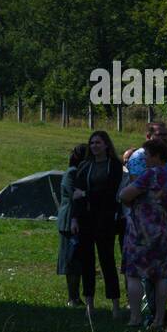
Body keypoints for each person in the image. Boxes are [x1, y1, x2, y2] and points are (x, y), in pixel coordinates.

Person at [120, 137, 167, 328]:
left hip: (141, 232)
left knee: (134, 274)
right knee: (161, 276)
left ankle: (135, 317)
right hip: (165, 230)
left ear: (156, 156)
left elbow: (124, 195)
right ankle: (159, 319)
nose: (144, 159)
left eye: (147, 155)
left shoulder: (149, 174)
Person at [71, 130, 125, 320]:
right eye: (92, 143)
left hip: (106, 220)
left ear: (106, 145)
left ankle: (115, 305)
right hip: (86, 219)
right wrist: (74, 218)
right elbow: (76, 194)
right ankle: (89, 305)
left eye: (98, 143)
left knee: (107, 261)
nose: (94, 146)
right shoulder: (85, 166)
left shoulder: (114, 166)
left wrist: (86, 195)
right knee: (87, 262)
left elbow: (109, 193)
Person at [127, 121, 167, 222]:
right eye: (160, 135)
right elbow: (135, 190)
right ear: (148, 136)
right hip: (153, 221)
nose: (164, 138)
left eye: (166, 134)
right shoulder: (139, 158)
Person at [57, 143, 88, 307]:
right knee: (72, 261)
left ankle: (75, 297)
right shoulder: (72, 173)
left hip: (75, 220)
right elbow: (75, 195)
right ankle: (72, 297)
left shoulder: (75, 172)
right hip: (69, 221)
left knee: (77, 261)